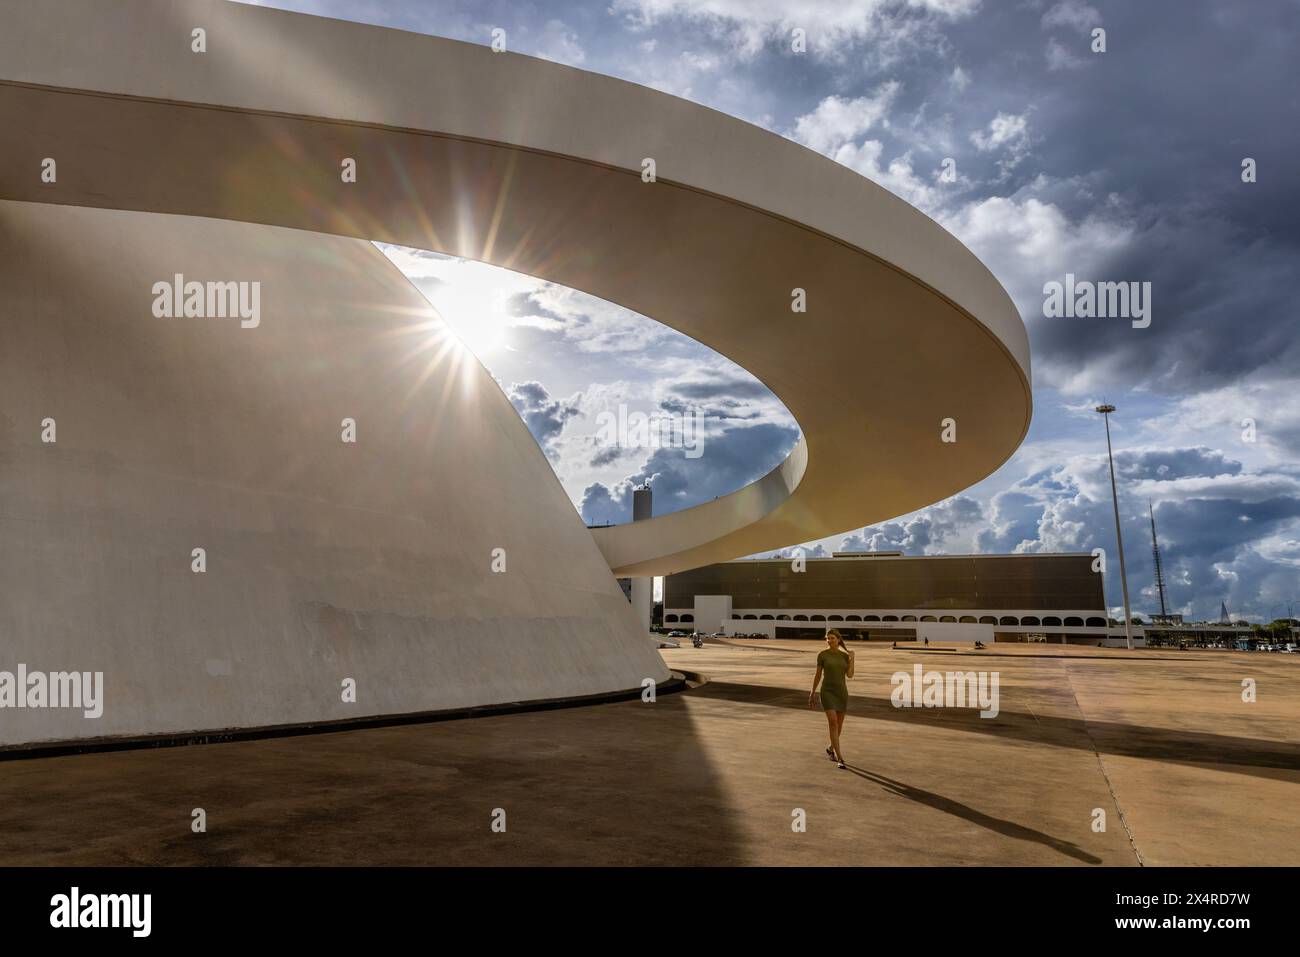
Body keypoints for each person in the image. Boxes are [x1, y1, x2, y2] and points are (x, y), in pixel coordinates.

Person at [809, 629, 855, 769]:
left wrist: (853, 658)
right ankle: (840, 757)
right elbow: (818, 675)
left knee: (839, 726)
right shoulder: (822, 655)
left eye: (832, 638)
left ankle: (830, 748)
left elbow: (850, 675)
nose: (829, 641)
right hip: (827, 692)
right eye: (828, 638)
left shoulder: (844, 656)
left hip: (841, 693)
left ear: (838, 640)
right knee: (833, 723)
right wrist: (812, 692)